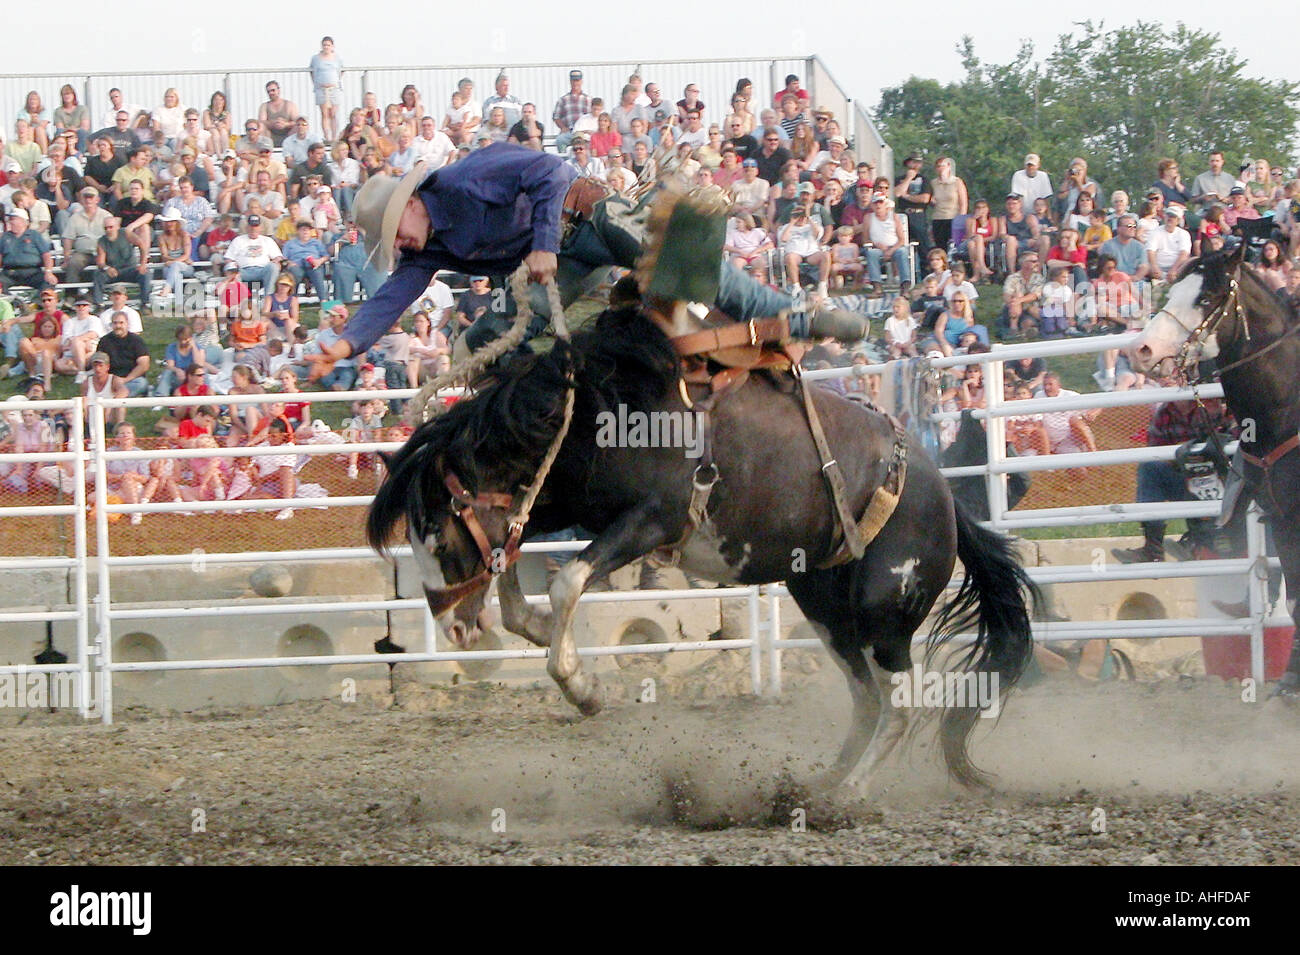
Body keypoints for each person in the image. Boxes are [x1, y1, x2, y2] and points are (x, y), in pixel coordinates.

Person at [311, 143, 869, 378]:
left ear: (411, 203)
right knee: (486, 346)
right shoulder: (427, 247)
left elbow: (551, 173)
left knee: (675, 263)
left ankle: (800, 316)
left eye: (395, 235)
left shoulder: (468, 175)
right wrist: (344, 344)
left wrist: (545, 242)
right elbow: (389, 300)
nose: (402, 248)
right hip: (556, 262)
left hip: (592, 221)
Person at [1113, 388, 1233, 564]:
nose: (1169, 382)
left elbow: (1227, 434)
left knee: (1199, 471)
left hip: (1215, 478)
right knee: (1150, 467)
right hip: (1187, 477)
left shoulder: (1208, 401)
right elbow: (1155, 452)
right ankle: (1153, 548)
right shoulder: (1164, 413)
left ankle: (1196, 541)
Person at [862, 195, 911, 291]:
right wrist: (876, 244)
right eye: (875, 203)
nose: (878, 205)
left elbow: (902, 239)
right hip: (877, 248)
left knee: (903, 252)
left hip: (895, 247)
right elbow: (865, 239)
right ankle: (877, 286)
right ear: (872, 205)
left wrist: (891, 250)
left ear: (885, 204)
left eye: (881, 202)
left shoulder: (894, 217)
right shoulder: (868, 218)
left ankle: (905, 286)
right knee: (871, 253)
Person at [0, 207, 56, 290]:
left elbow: (46, 255)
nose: (11, 222)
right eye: (10, 219)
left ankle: (36, 302)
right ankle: (8, 302)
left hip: (32, 272)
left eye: (14, 219)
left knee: (48, 282)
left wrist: (48, 272)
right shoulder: (5, 237)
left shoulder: (34, 235)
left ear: (24, 221)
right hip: (10, 272)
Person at [999, 250, 1045, 339]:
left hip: (1029, 309)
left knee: (1027, 321)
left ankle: (1020, 332)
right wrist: (1015, 301)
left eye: (1037, 261)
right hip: (1011, 310)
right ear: (1024, 263)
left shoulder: (1039, 278)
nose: (1037, 264)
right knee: (1017, 297)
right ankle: (1014, 328)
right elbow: (1006, 296)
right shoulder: (1012, 278)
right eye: (1034, 261)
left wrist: (1020, 300)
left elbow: (1036, 295)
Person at [309, 36, 344, 143]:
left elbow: (342, 70)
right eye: (324, 45)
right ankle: (327, 136)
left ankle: (334, 136)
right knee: (324, 113)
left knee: (333, 113)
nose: (326, 47)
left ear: (332, 46)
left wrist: (336, 81)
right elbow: (311, 71)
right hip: (321, 88)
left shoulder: (337, 58)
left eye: (328, 45)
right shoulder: (316, 58)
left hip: (334, 88)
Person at [1145, 206, 1192, 283]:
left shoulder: (1184, 234)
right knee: (1144, 267)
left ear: (1178, 220)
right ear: (1165, 216)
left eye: (1173, 217)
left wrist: (1174, 270)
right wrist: (1155, 267)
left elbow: (1184, 254)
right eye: (1168, 215)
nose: (1170, 219)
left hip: (1178, 269)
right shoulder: (1155, 232)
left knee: (1193, 260)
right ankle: (1163, 282)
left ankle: (1165, 282)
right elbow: (1150, 251)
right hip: (1158, 268)